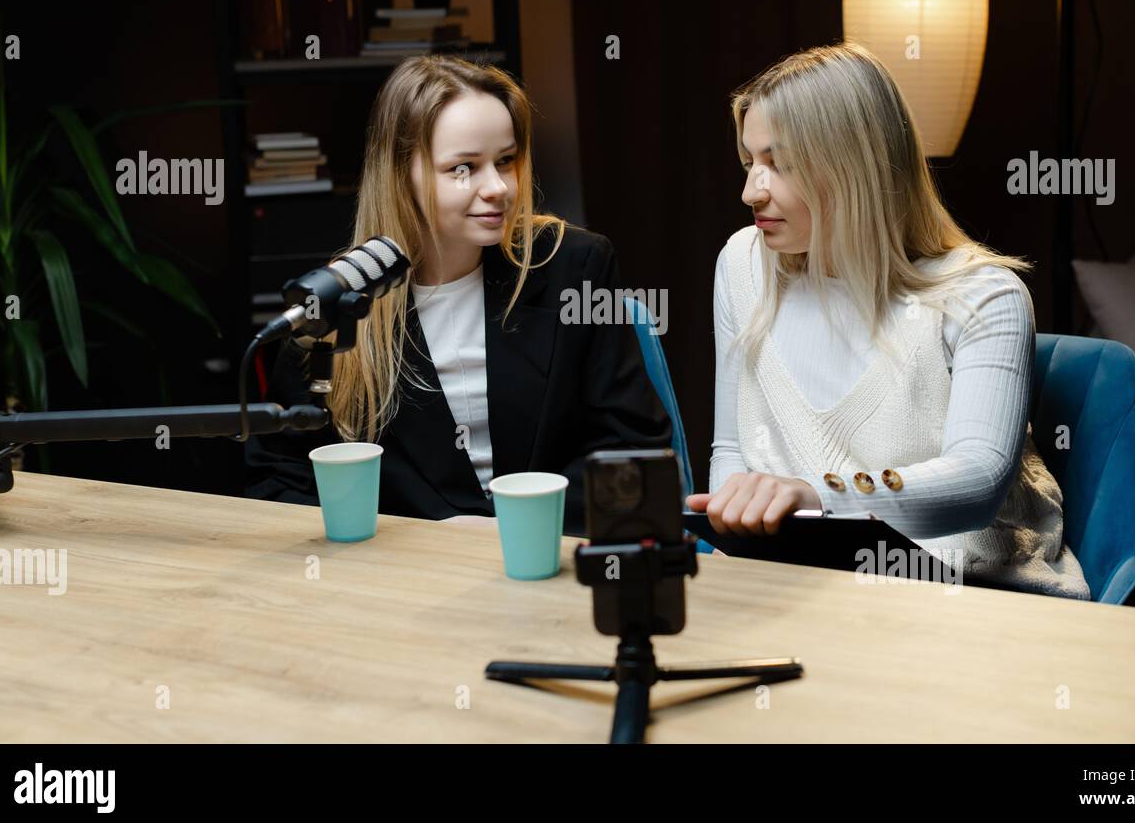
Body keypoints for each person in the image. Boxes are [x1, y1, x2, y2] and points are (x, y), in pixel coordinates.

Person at [686, 43, 1089, 598]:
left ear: (855, 169)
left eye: (779, 164)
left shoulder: (984, 296)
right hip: (807, 590)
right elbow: (733, 451)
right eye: (749, 162)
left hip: (971, 591)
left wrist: (819, 498)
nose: (751, 190)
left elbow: (977, 483)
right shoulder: (742, 263)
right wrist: (738, 524)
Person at [246, 56, 671, 534]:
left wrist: (510, 523)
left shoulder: (577, 267)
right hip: (408, 583)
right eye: (463, 168)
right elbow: (281, 484)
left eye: (506, 161)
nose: (498, 188)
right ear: (401, 174)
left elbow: (636, 454)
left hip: (556, 558)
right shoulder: (335, 301)